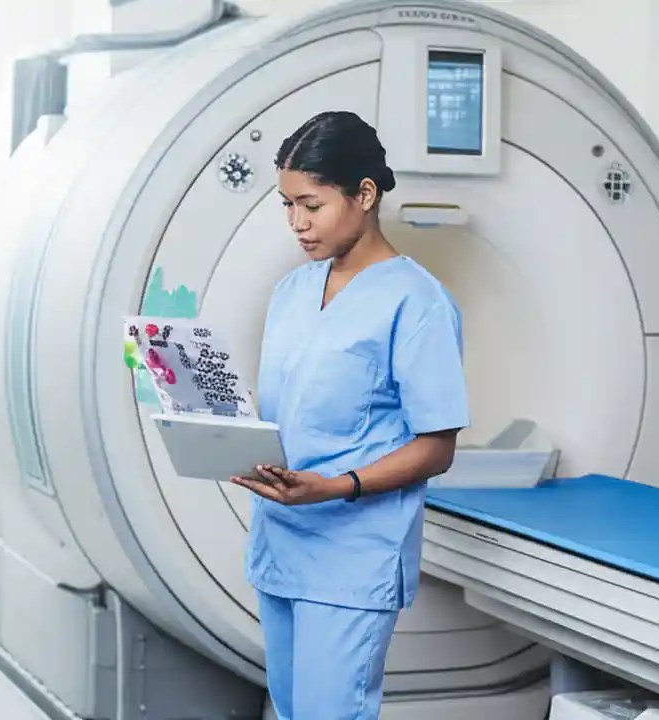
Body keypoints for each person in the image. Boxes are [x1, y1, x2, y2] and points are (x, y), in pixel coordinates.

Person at [228, 110, 471, 719]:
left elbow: (437, 447)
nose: (297, 223)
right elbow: (289, 411)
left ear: (364, 194)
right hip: (281, 540)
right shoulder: (291, 293)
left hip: (352, 555)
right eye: (286, 206)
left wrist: (336, 487)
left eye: (311, 204)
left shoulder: (417, 303)